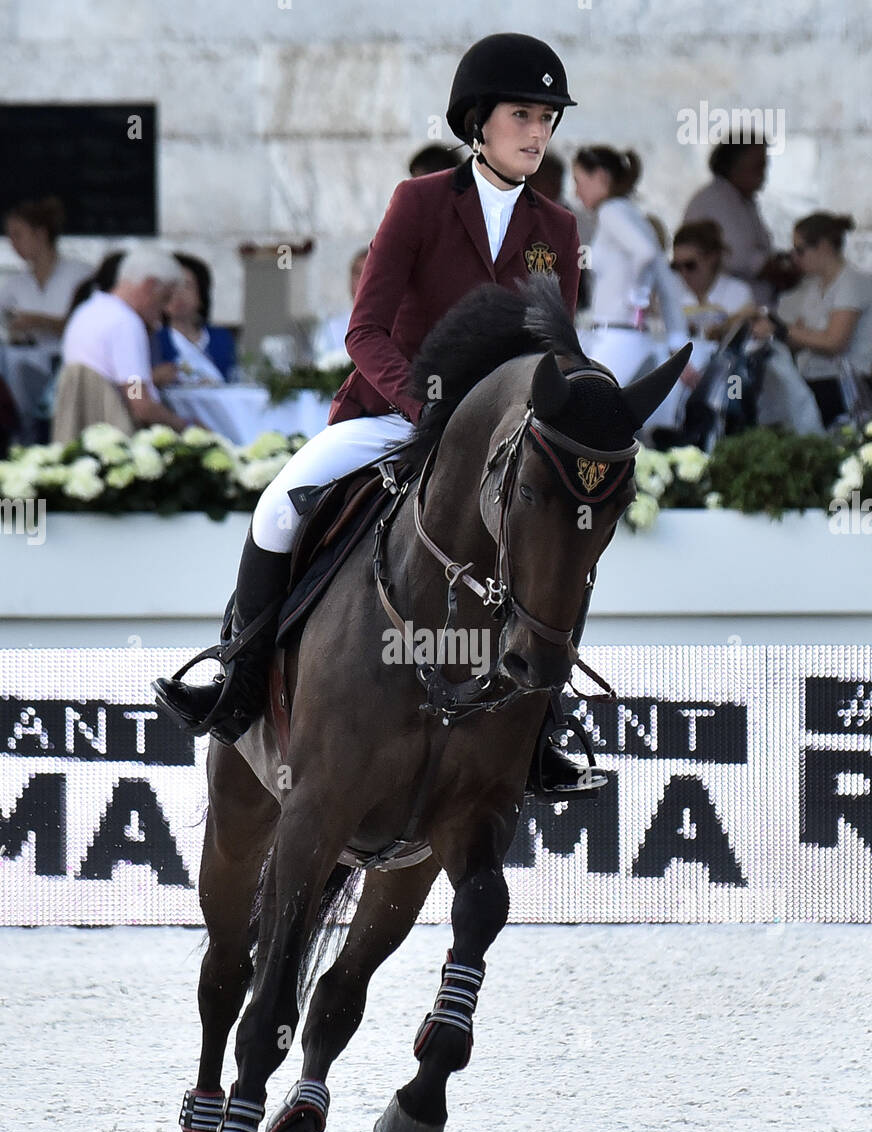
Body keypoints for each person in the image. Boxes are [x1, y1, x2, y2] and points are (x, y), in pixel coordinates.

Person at [155, 31, 598, 796]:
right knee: (279, 505)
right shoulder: (420, 203)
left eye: (548, 118)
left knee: (559, 538)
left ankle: (541, 728)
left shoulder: (556, 231)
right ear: (476, 122)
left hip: (495, 437)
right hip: (395, 414)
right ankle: (239, 680)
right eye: (523, 114)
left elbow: (554, 350)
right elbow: (365, 330)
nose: (539, 132)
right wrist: (425, 405)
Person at [572, 146, 692, 386]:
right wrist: (676, 339)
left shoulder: (610, 212)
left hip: (614, 333)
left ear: (600, 177)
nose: (576, 192)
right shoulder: (633, 214)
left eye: (579, 181)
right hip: (631, 335)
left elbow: (645, 254)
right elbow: (662, 275)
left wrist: (638, 293)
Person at [754, 212, 872, 426]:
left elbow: (834, 342)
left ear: (824, 246)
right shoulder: (813, 287)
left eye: (799, 250)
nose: (794, 258)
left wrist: (781, 330)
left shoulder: (853, 281)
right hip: (813, 382)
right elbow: (800, 337)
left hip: (846, 387)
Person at [60, 245, 190, 432]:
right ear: (150, 285)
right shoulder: (125, 324)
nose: (165, 309)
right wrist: (186, 425)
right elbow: (139, 401)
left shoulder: (87, 311)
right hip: (114, 432)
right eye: (165, 298)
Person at [682, 138, 796, 305]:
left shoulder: (743, 201)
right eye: (758, 166)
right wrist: (784, 272)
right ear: (735, 166)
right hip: (725, 305)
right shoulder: (717, 200)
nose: (763, 173)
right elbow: (743, 258)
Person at [0, 197, 91, 343]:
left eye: (18, 235)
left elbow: (93, 326)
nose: (13, 243)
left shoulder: (81, 274)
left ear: (41, 234)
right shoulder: (15, 284)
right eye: (9, 236)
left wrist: (40, 321)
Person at [153, 253, 236, 384]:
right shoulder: (154, 339)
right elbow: (136, 388)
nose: (178, 294)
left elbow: (233, 379)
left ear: (201, 294)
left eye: (187, 286)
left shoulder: (221, 337)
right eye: (173, 286)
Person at [310, 248, 368, 366]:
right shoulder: (330, 328)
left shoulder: (398, 327)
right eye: (357, 274)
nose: (362, 281)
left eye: (368, 274)